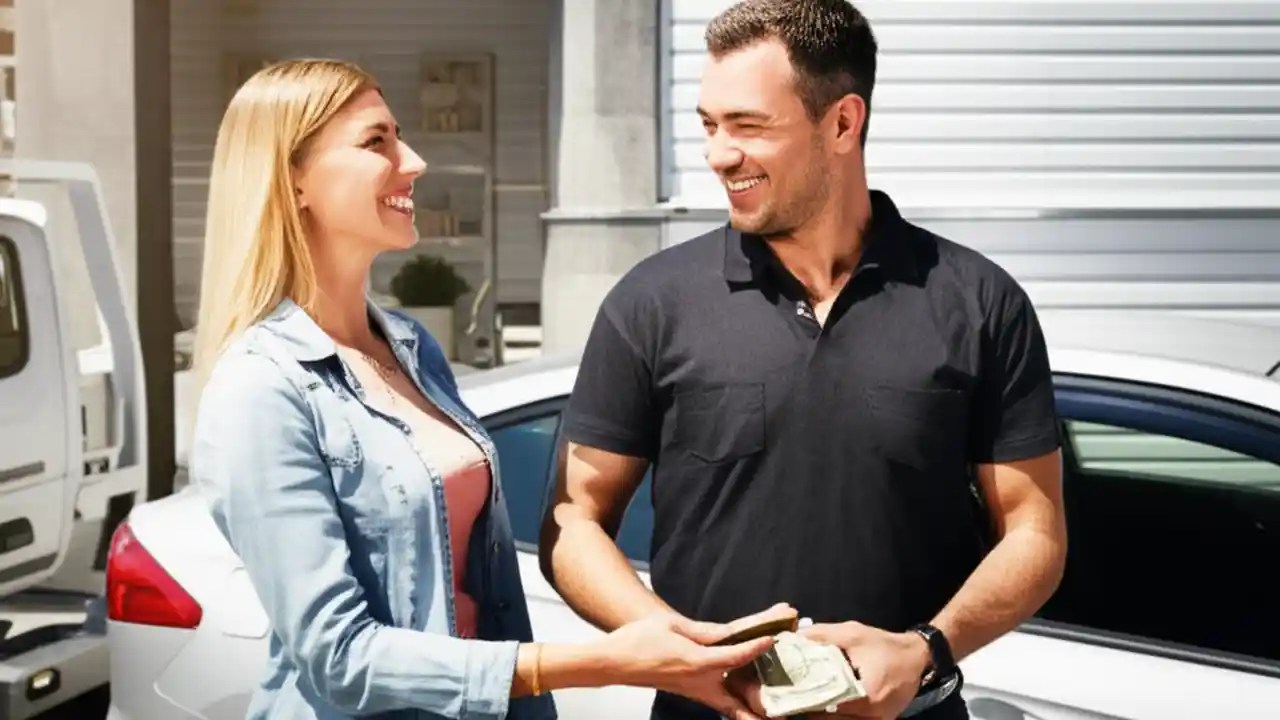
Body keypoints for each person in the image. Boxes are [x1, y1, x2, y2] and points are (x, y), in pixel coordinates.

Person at [189, 58, 785, 720]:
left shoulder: (411, 347)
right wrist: (609, 662)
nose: (411, 161)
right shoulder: (261, 389)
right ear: (293, 178)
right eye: (376, 141)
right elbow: (338, 660)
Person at [539, 1, 1069, 719]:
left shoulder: (978, 303)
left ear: (843, 123)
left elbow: (1034, 532)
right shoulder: (652, 304)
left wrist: (926, 650)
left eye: (749, 126)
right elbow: (575, 522)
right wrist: (661, 635)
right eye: (709, 124)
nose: (718, 154)